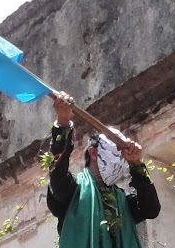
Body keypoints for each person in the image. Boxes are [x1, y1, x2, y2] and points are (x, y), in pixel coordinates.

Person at [46, 90, 159, 231]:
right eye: (117, 151)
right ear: (93, 152)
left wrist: (136, 165)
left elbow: (151, 209)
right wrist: (63, 123)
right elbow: (57, 172)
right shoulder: (71, 192)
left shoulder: (121, 204)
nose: (121, 158)